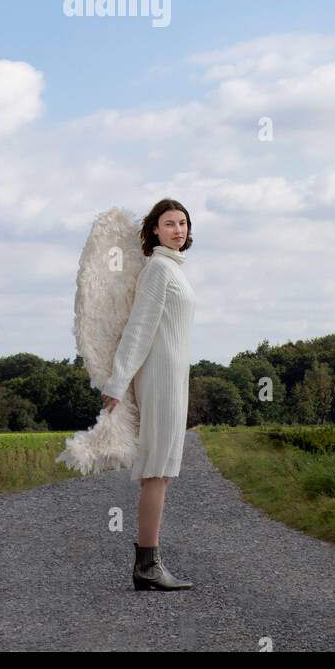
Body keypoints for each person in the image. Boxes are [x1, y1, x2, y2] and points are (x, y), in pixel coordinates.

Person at [101, 198, 196, 590]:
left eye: (184, 223)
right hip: (159, 380)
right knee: (157, 470)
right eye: (170, 223)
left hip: (173, 378)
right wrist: (117, 382)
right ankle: (147, 566)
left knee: (162, 471)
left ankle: (148, 563)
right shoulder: (158, 269)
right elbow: (138, 329)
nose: (179, 229)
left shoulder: (174, 269)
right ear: (154, 230)